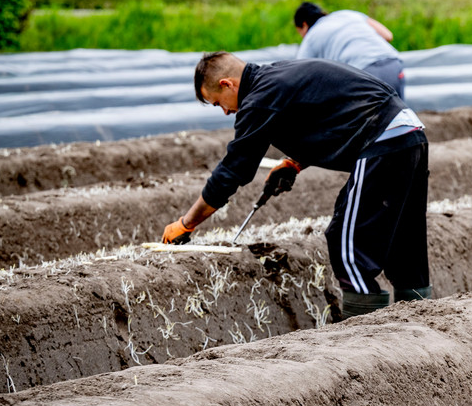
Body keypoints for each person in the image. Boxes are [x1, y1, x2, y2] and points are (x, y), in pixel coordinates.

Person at [162, 51, 431, 318]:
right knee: (404, 238)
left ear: (227, 84)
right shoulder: (278, 76)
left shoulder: (259, 98)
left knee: (347, 244)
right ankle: (419, 322)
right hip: (410, 134)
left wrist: (187, 223)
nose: (225, 111)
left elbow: (234, 169)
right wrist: (295, 162)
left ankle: (369, 333)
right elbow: (328, 117)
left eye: (218, 103)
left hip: (382, 140)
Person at [294, 1, 406, 98]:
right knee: (400, 117)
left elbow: (299, 75)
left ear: (304, 25)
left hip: (364, 72)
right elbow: (388, 35)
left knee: (367, 119)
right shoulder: (347, 14)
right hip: (393, 63)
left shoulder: (311, 37)